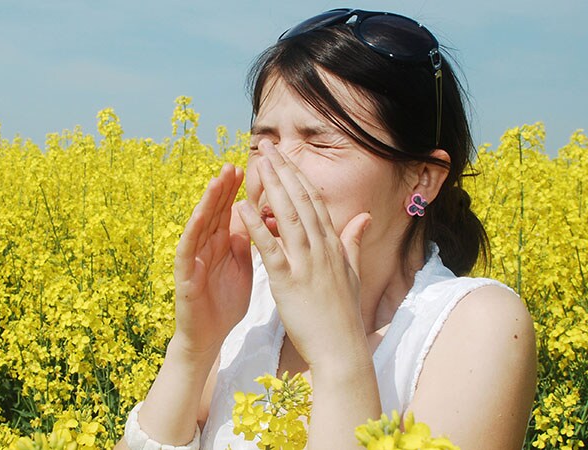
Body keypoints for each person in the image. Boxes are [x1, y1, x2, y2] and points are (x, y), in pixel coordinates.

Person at [115, 8, 537, 450]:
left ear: (422, 179)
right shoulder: (249, 304)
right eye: (264, 142)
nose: (274, 169)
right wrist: (193, 349)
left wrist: (339, 358)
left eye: (318, 142)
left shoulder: (477, 326)